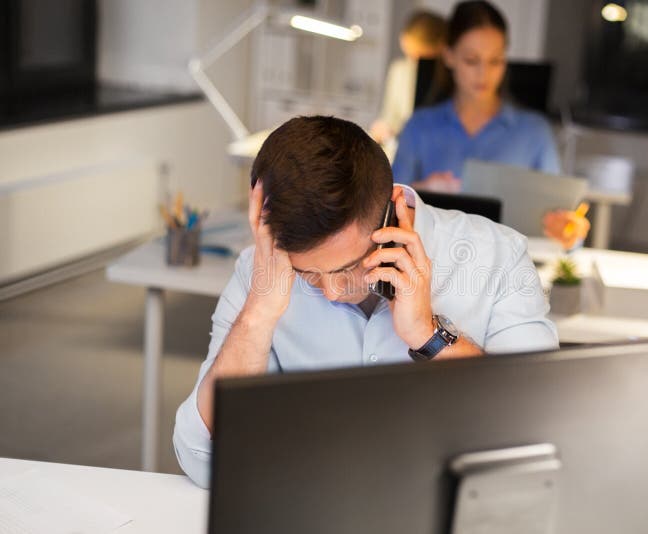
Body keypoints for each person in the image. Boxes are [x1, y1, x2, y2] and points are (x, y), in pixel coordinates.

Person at [173, 116, 558, 488]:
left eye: (347, 267)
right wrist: (258, 315)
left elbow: (541, 436)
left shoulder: (499, 256)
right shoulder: (261, 271)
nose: (331, 291)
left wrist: (429, 336)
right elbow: (201, 460)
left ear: (392, 211)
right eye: (308, 273)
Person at [392, 0, 561, 192]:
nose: (484, 74)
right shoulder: (418, 127)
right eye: (471, 61)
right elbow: (390, 201)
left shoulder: (535, 132)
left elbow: (556, 203)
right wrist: (422, 190)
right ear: (449, 56)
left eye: (495, 61)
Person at [369, 10, 447, 146]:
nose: (415, 65)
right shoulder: (399, 71)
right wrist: (383, 130)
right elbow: (389, 117)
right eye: (411, 55)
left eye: (420, 59)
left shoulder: (450, 81)